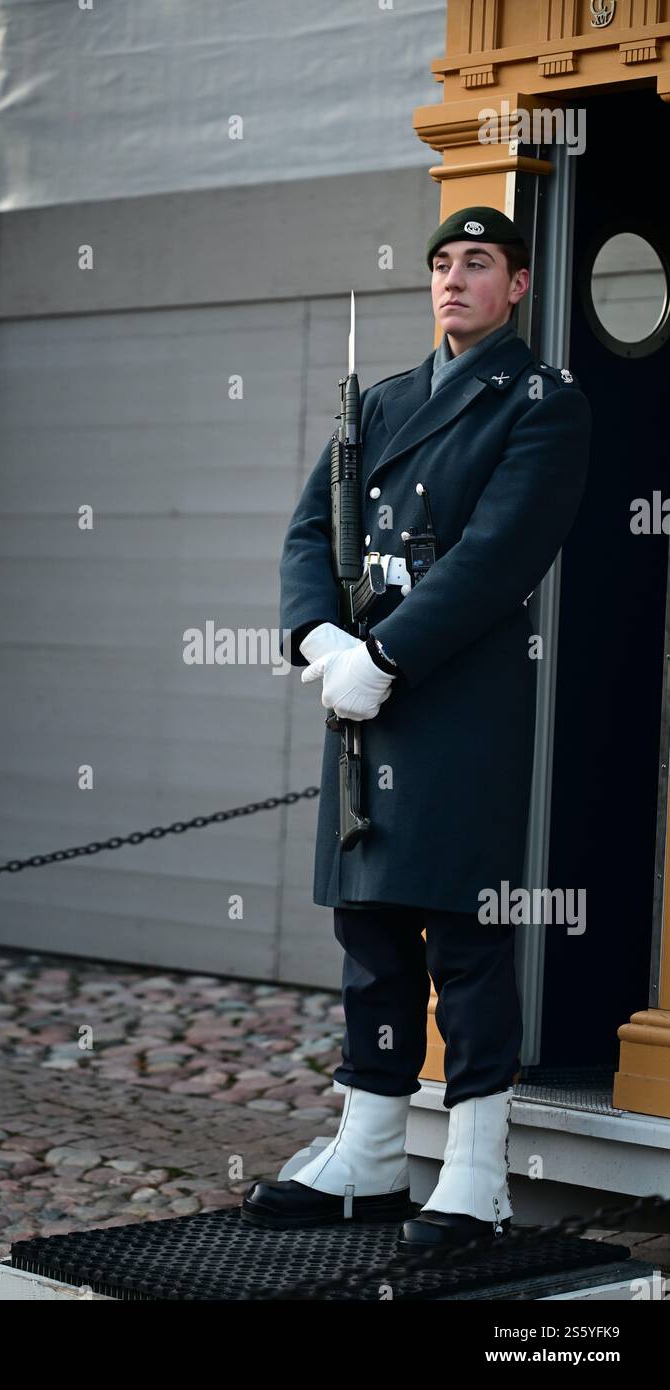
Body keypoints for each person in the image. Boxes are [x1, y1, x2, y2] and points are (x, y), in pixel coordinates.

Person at [241, 206, 592, 1253]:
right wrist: (320, 645)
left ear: (517, 286)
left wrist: (383, 657)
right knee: (370, 930)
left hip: (454, 700)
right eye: (440, 265)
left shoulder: (540, 400)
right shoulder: (382, 401)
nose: (451, 281)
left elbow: (496, 555)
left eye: (475, 264)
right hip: (360, 696)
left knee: (466, 934)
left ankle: (476, 1175)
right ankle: (370, 1155)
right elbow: (310, 529)